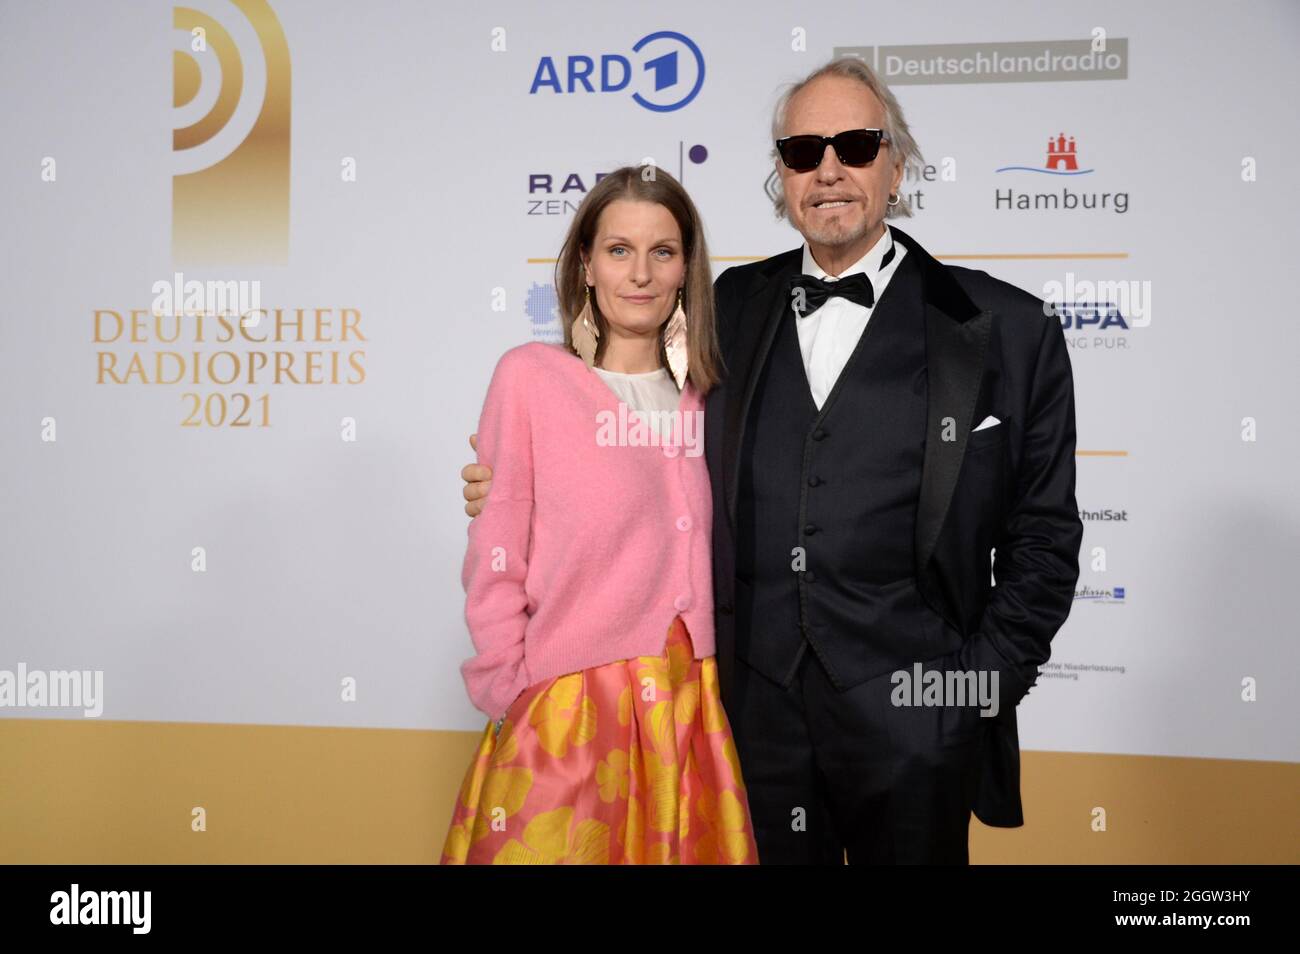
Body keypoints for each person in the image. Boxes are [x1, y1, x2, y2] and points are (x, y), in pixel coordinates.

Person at [462, 56, 1082, 864]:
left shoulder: (1006, 327)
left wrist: (965, 698)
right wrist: (509, 485)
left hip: (919, 720)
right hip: (744, 723)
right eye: (802, 152)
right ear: (781, 176)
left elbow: (1044, 540)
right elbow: (612, 406)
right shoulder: (722, 313)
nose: (828, 170)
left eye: (855, 145)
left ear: (897, 164)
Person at [441, 166, 759, 865]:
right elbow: (496, 550)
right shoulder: (531, 379)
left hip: (687, 707)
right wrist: (511, 692)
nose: (639, 273)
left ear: (686, 270)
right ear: (585, 264)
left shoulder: (710, 399)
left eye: (662, 252)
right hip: (568, 710)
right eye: (618, 250)